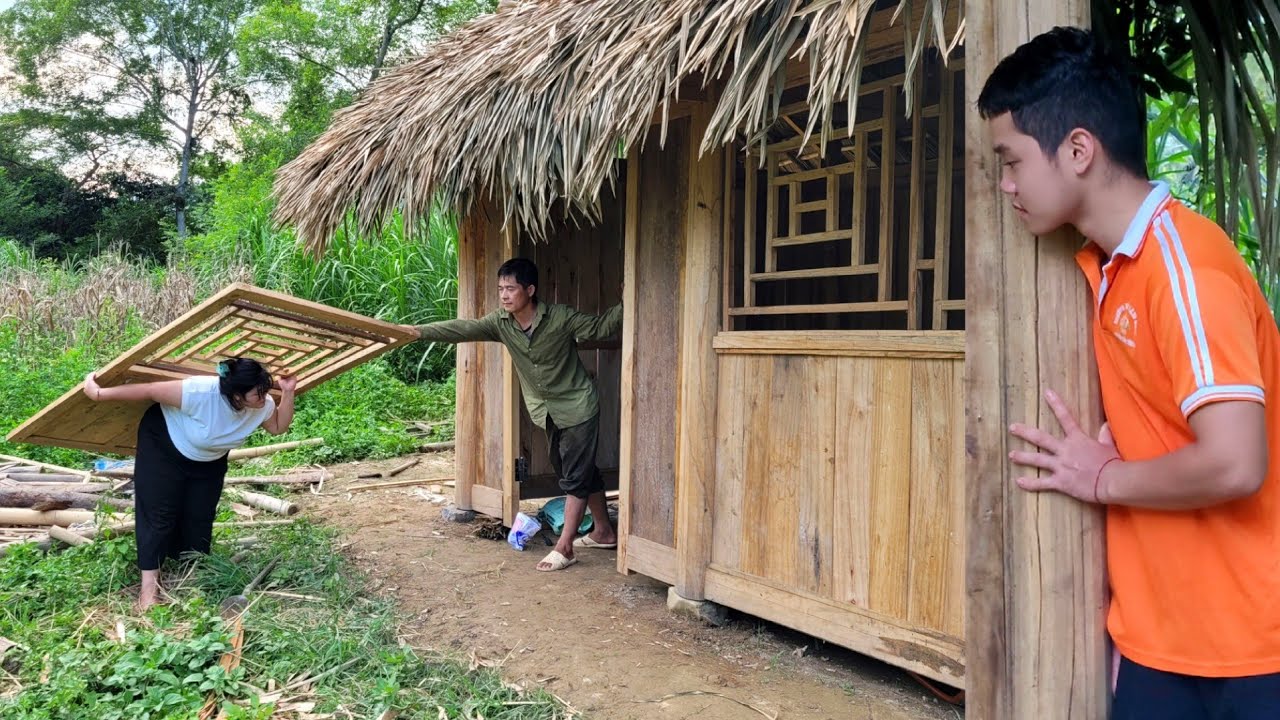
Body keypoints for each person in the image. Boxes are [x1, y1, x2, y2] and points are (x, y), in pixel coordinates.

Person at [980, 26, 1280, 717]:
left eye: (1012, 160)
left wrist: (1102, 478)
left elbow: (1237, 463)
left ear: (1078, 150)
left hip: (1250, 650)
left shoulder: (1183, 269)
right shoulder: (1110, 267)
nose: (1005, 184)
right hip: (1159, 643)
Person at [404, 257, 621, 572]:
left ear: (529, 290)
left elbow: (600, 327)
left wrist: (627, 299)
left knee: (575, 477)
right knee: (576, 470)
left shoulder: (560, 318)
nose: (504, 295)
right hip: (547, 411)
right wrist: (416, 332)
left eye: (511, 288)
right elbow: (464, 329)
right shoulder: (501, 323)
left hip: (578, 406)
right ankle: (603, 532)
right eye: (501, 289)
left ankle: (565, 547)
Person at [84, 358, 296, 611]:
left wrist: (288, 392)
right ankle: (148, 591)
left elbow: (278, 426)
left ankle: (191, 572)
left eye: (265, 390)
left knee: (200, 515)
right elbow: (149, 390)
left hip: (209, 458)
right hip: (164, 445)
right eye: (257, 393)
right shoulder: (199, 392)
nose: (264, 397)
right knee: (159, 514)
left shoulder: (263, 404)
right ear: (236, 395)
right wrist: (99, 394)